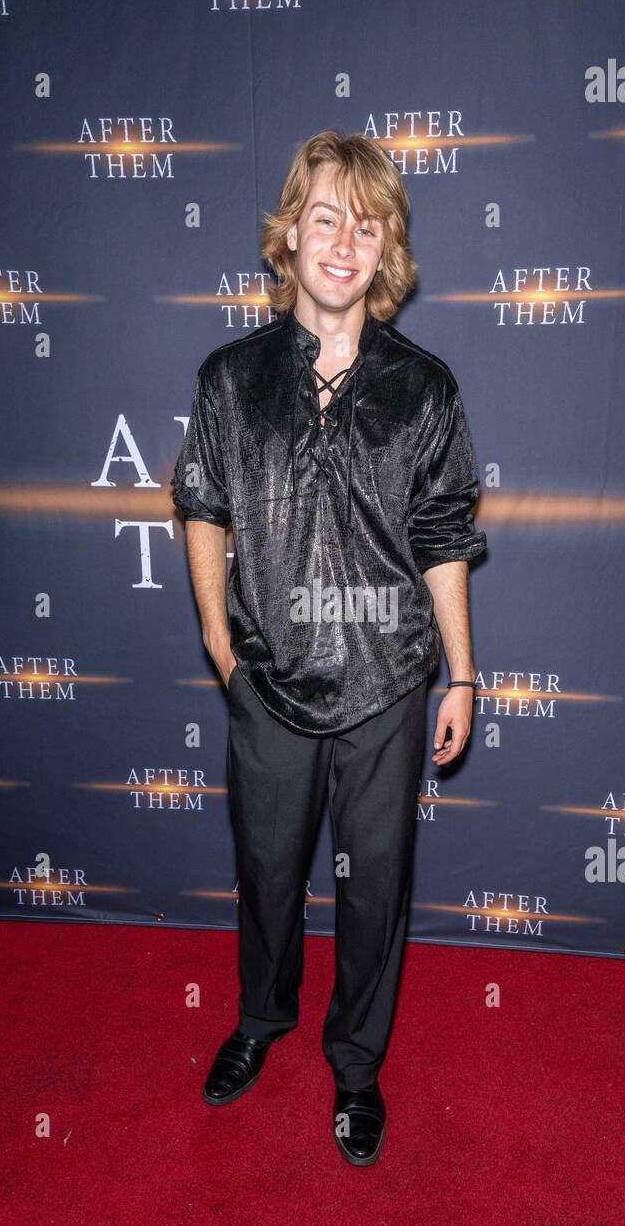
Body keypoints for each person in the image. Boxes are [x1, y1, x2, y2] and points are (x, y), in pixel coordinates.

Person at [171, 130, 486, 1167]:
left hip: (388, 682)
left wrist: (461, 672)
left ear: (386, 247)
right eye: (324, 217)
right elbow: (202, 504)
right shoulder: (227, 379)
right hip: (265, 678)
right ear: (287, 237)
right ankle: (260, 1020)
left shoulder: (425, 388)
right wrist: (221, 643)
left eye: (367, 222)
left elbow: (443, 537)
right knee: (264, 873)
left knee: (373, 885)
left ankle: (355, 1065)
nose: (343, 240)